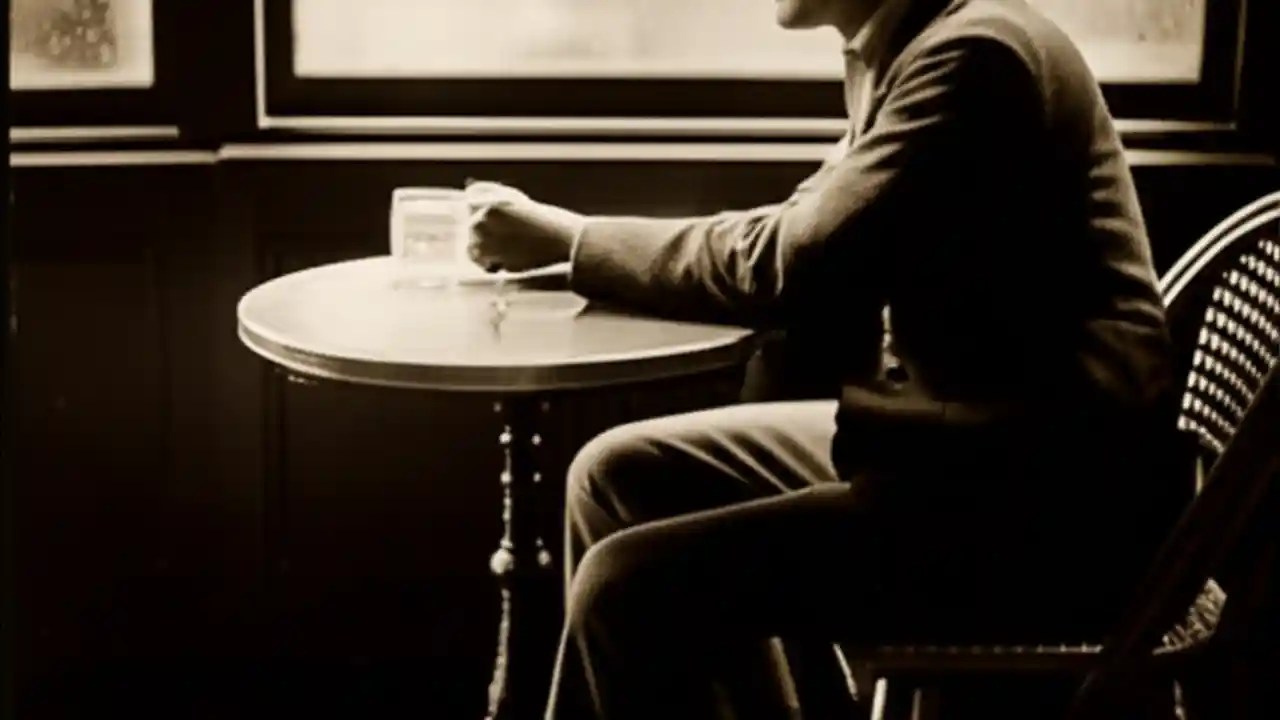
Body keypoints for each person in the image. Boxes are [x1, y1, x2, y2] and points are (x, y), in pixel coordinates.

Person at [466, 0, 1186, 717]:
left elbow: (794, 261)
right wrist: (584, 248)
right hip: (962, 447)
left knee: (619, 590)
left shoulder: (976, 58)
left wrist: (574, 242)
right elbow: (797, 233)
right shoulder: (918, 45)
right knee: (613, 476)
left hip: (1040, 512)